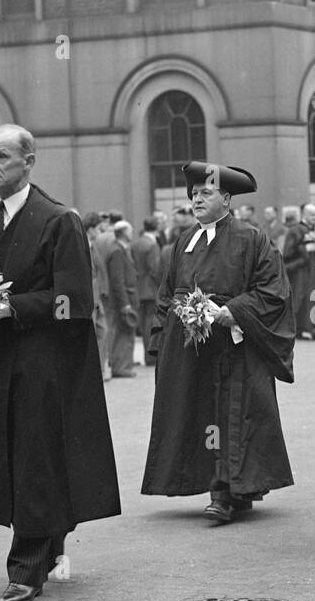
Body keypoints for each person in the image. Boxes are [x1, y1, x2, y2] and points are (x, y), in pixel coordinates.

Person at [0, 124, 120, 601]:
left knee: (33, 457)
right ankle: (49, 538)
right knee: (10, 456)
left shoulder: (58, 220)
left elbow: (75, 299)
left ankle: (26, 566)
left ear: (29, 162)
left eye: (2, 156)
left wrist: (13, 308)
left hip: (41, 362)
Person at [141, 162, 295, 524]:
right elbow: (167, 294)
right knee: (201, 416)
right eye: (193, 194)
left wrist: (233, 312)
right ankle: (227, 487)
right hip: (190, 354)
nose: (196, 200)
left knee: (230, 415)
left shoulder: (251, 238)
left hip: (233, 348)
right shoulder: (183, 241)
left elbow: (274, 291)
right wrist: (161, 340)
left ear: (226, 199)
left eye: (205, 193)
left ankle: (225, 492)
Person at [282, 202, 315, 339]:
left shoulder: (314, 230)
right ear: (304, 214)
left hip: (312, 271)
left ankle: (308, 328)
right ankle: (298, 329)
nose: (314, 218)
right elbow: (287, 253)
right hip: (299, 272)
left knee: (311, 298)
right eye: (312, 215)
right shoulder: (295, 230)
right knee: (299, 298)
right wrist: (306, 249)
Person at [105, 220, 138, 378]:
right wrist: (124, 303)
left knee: (126, 333)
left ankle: (124, 364)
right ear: (124, 233)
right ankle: (121, 367)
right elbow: (117, 280)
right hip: (124, 300)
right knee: (123, 334)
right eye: (130, 231)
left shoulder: (120, 249)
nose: (132, 234)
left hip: (126, 297)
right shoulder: (117, 251)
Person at [82, 211, 112, 381]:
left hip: (96, 297)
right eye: (99, 228)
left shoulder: (93, 246)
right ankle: (93, 372)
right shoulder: (83, 245)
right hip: (89, 298)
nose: (101, 232)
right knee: (94, 334)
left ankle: (98, 369)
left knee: (102, 332)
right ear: (91, 228)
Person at [130, 218, 163, 364]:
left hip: (138, 286)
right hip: (150, 288)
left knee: (143, 323)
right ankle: (150, 356)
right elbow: (155, 269)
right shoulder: (152, 245)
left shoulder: (136, 243)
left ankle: (146, 355)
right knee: (150, 322)